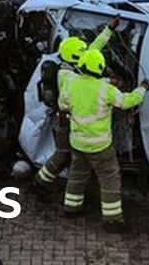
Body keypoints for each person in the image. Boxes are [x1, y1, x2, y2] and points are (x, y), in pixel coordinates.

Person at [62, 49, 149, 231]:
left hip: (78, 142)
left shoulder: (71, 84)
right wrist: (142, 88)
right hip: (99, 145)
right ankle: (112, 220)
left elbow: (62, 105)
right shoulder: (106, 89)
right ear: (100, 69)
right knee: (109, 179)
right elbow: (127, 102)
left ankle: (71, 208)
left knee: (77, 174)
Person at [35, 18, 120, 188]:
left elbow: (94, 48)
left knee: (71, 158)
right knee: (62, 155)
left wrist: (109, 29)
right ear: (75, 56)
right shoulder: (68, 76)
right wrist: (109, 82)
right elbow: (87, 87)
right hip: (64, 122)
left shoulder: (71, 65)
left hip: (69, 120)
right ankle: (39, 182)